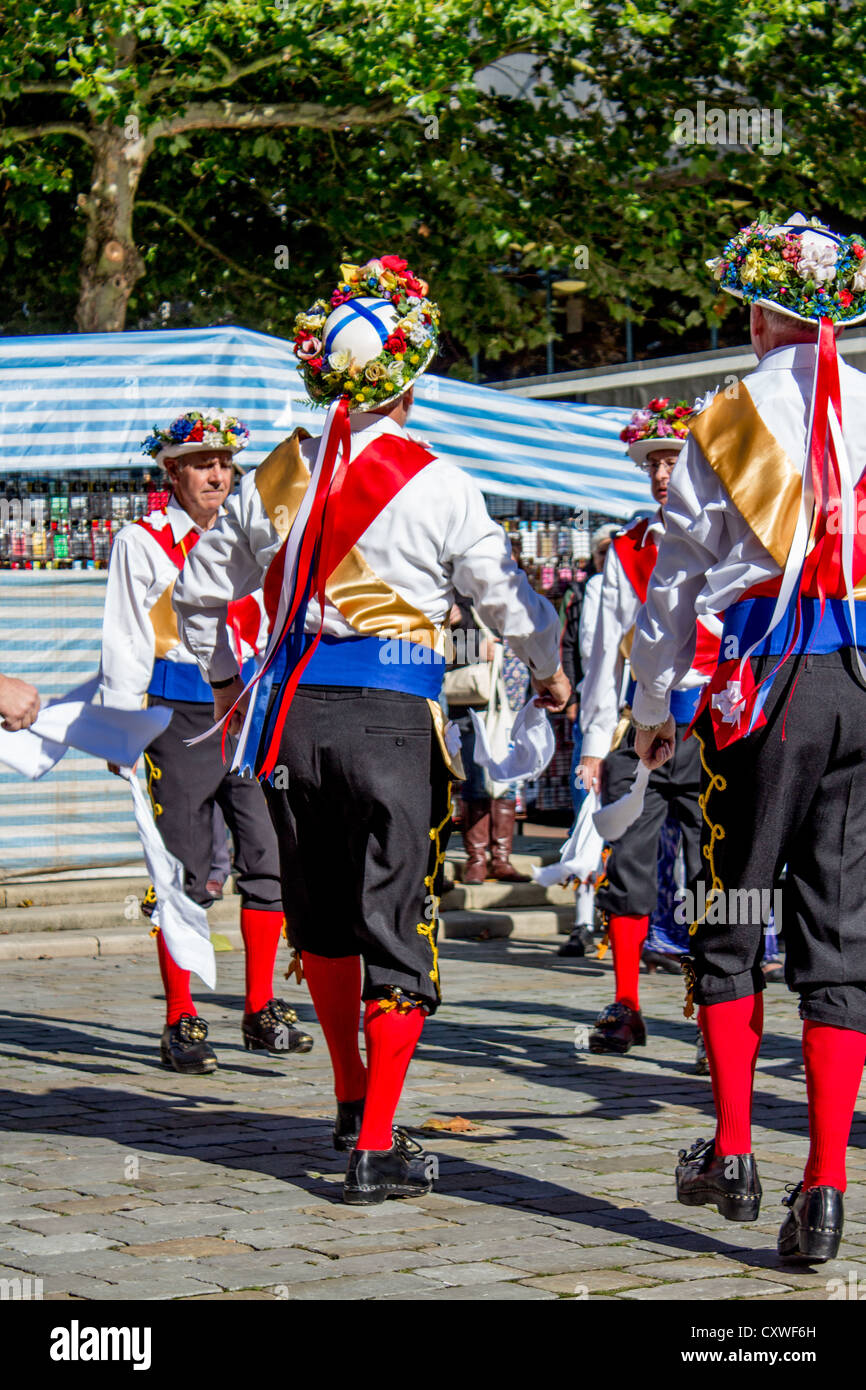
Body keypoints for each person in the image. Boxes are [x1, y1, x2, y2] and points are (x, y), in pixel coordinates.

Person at [171, 254, 569, 1203]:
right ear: (412, 381)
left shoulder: (278, 471)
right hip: (392, 718)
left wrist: (233, 683)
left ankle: (351, 1105)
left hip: (291, 720)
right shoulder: (439, 483)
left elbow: (197, 596)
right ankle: (375, 1144)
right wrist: (551, 673)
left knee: (325, 917)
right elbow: (509, 604)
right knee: (394, 918)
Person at [631, 212, 866, 1262]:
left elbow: (673, 588)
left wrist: (650, 708)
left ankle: (732, 1145)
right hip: (859, 682)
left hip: (763, 689)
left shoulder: (724, 417)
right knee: (839, 932)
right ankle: (824, 1187)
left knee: (733, 904)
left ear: (760, 309)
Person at [100, 410, 313, 1074]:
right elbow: (128, 633)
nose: (216, 474)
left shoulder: (253, 533)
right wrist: (120, 721)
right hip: (177, 714)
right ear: (171, 473)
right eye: (199, 463)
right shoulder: (143, 540)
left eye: (223, 462)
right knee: (185, 870)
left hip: (247, 708)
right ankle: (181, 1018)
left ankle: (259, 1008)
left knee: (268, 856)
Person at [577, 399, 721, 1052]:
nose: (664, 473)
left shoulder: (730, 531)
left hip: (714, 724)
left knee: (715, 874)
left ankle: (710, 1011)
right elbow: (603, 652)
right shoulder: (628, 550)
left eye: (674, 459)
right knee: (628, 869)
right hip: (640, 728)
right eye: (655, 463)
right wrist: (594, 741)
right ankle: (626, 1003)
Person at [559, 523, 617, 957]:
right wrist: (578, 698)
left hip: (634, 719)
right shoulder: (585, 594)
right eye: (603, 552)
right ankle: (583, 920)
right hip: (595, 718)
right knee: (587, 818)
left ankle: (634, 922)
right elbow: (581, 651)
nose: (609, 558)